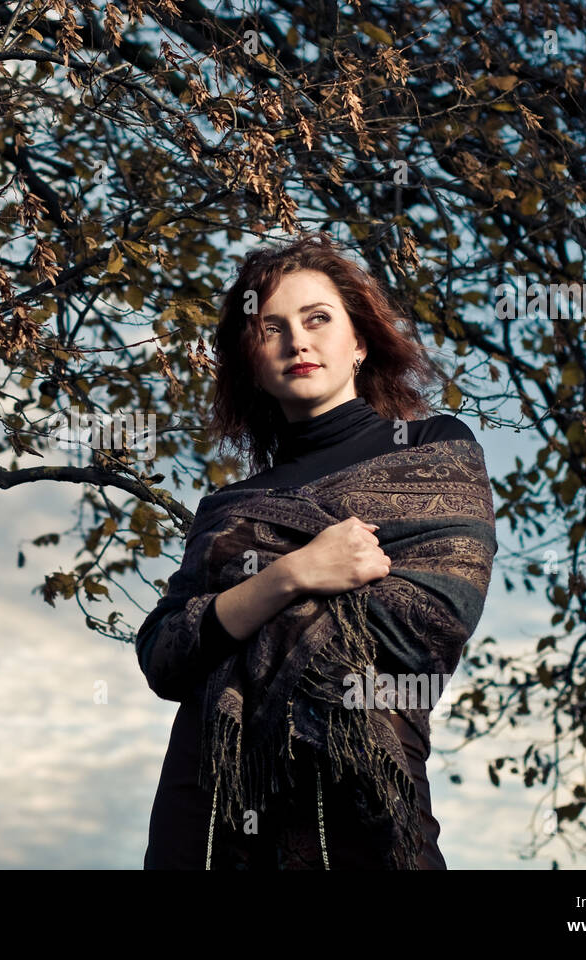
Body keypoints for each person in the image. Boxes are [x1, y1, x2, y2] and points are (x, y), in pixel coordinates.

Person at [138, 233, 481, 869]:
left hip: (357, 800)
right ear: (252, 360)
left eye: (318, 318)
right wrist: (296, 573)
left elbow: (427, 623)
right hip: (206, 812)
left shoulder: (429, 451)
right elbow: (164, 655)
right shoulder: (226, 507)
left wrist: (234, 613)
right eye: (272, 328)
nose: (297, 340)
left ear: (358, 343)